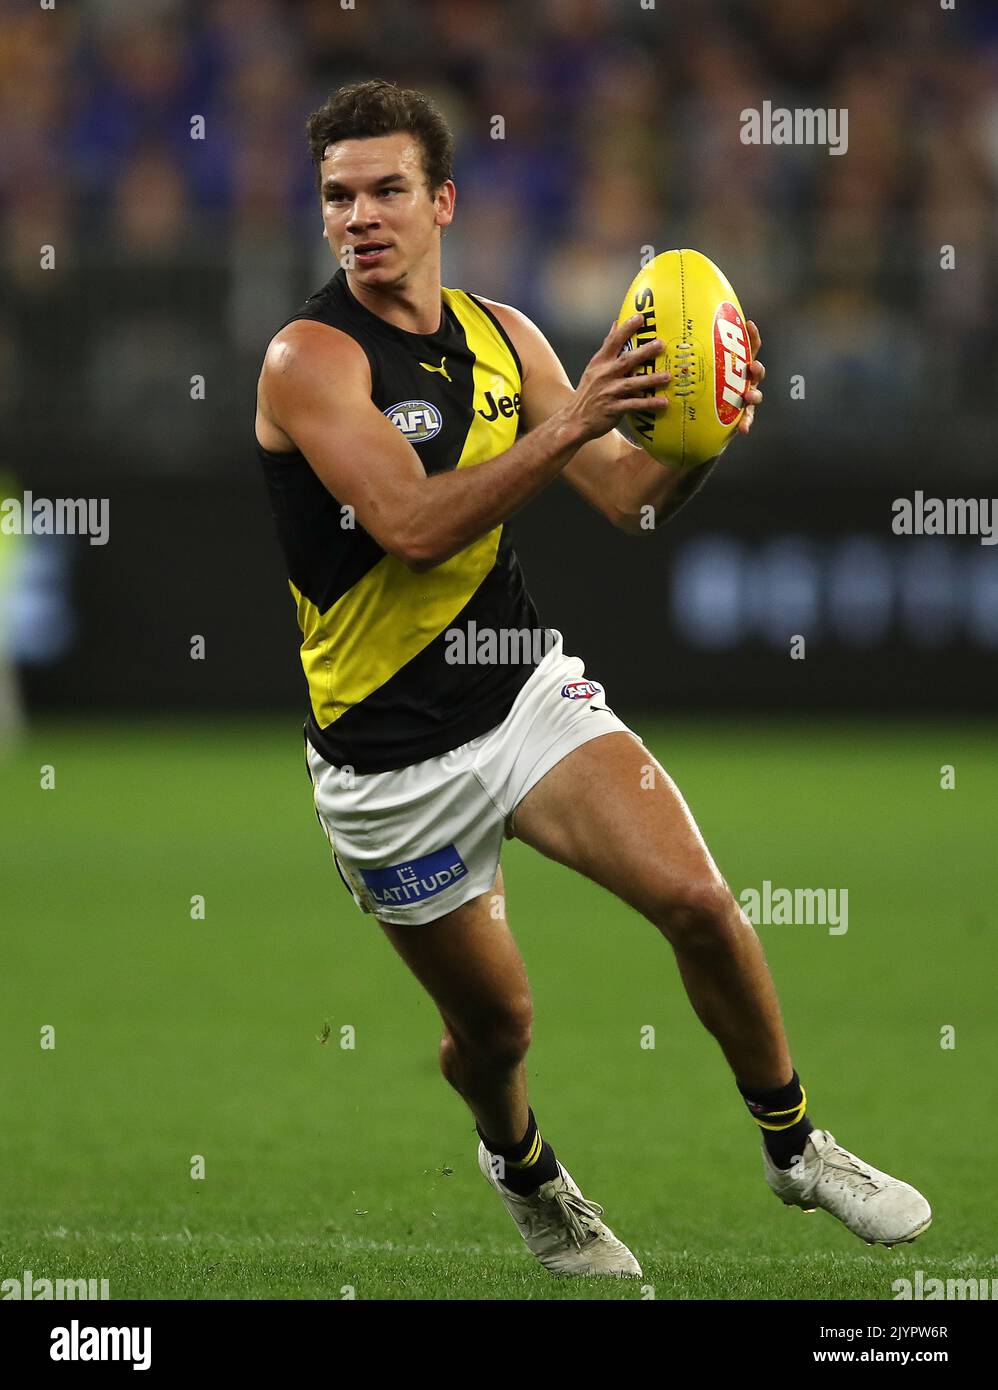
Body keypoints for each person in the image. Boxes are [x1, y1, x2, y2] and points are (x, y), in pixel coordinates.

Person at [255, 79, 930, 1276]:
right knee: (496, 1030)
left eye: (386, 190)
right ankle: (522, 1169)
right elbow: (409, 523)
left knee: (696, 899)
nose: (360, 216)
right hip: (384, 767)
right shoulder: (308, 358)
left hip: (518, 694)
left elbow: (627, 496)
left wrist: (700, 439)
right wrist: (567, 430)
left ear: (441, 200)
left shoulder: (507, 335)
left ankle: (795, 1145)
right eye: (337, 196)